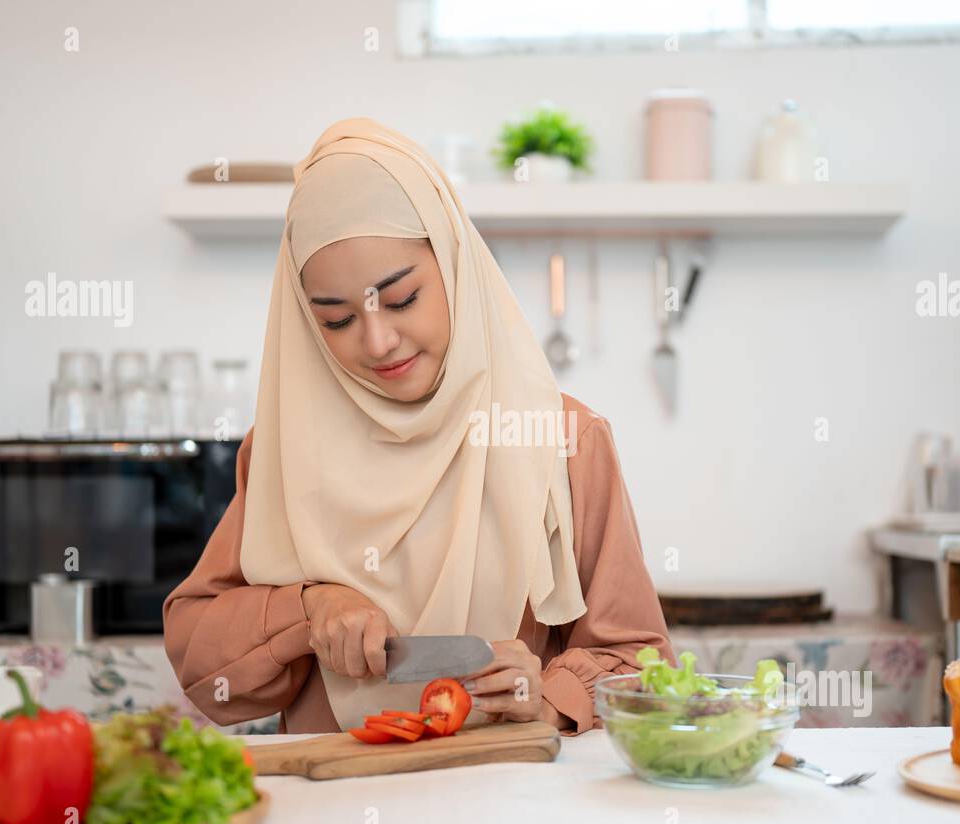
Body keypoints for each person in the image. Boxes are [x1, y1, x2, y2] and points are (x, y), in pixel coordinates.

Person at [163, 117, 674, 736]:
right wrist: (307, 610)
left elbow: (643, 668)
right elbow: (199, 659)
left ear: (456, 267)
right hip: (336, 810)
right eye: (335, 320)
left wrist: (548, 694)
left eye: (401, 300)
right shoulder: (280, 451)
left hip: (509, 806)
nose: (377, 343)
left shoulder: (562, 439)